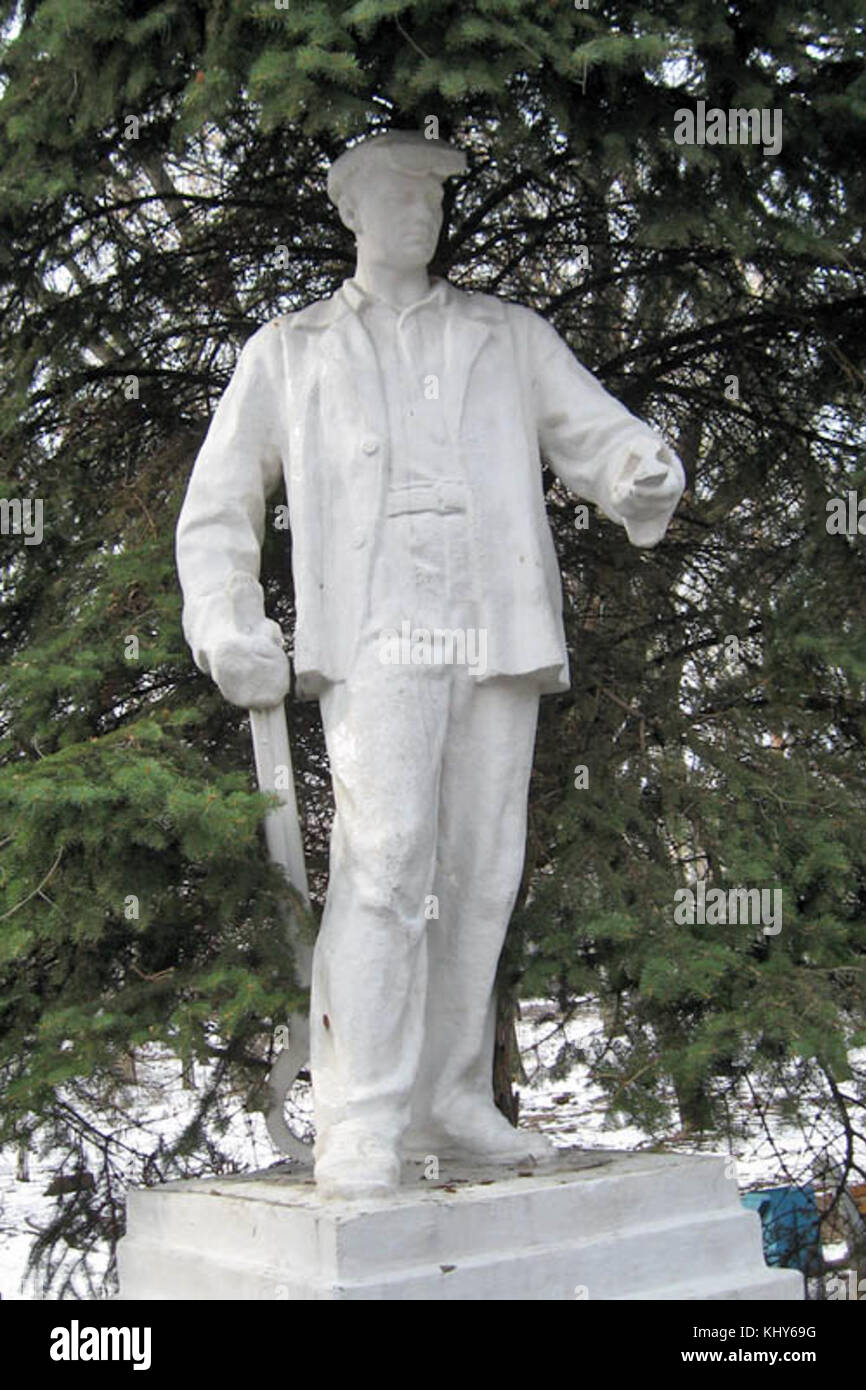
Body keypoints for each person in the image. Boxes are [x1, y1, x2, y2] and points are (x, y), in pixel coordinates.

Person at [176, 130, 685, 1199]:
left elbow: (597, 434)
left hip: (489, 612)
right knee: (388, 850)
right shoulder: (292, 348)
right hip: (375, 621)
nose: (422, 209)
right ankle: (361, 1113)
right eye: (400, 192)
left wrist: (639, 468)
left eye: (434, 194)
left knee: (480, 861)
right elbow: (220, 502)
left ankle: (451, 1096)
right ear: (353, 209)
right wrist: (226, 617)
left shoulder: (506, 334)